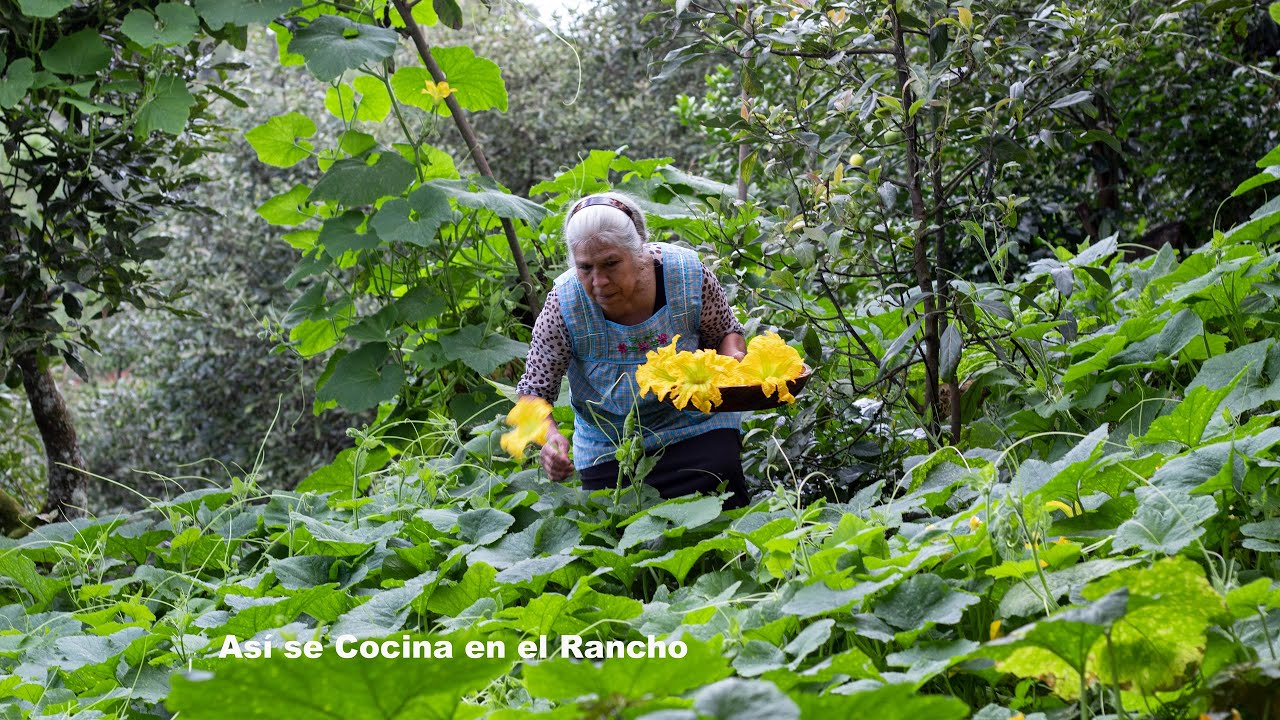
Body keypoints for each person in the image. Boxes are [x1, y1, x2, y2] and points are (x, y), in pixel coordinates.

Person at [514, 191, 751, 508]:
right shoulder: (564, 304)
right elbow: (533, 390)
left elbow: (726, 332)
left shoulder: (687, 275)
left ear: (639, 252)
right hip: (610, 446)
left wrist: (734, 362)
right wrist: (548, 439)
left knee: (719, 491)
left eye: (610, 263)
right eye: (585, 268)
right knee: (617, 519)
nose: (599, 281)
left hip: (697, 426)